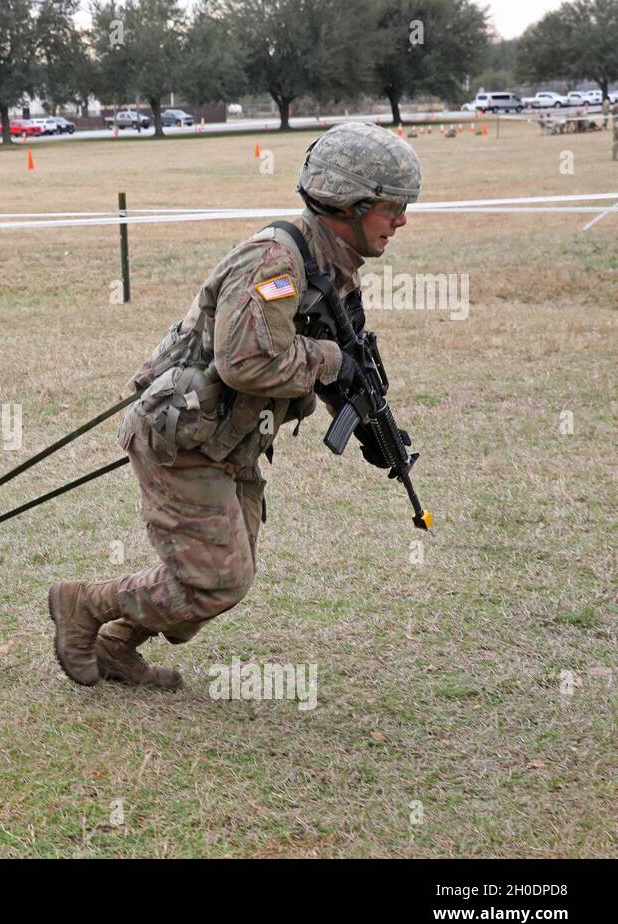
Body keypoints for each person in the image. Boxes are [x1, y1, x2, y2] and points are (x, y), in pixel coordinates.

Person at [48, 121, 421, 689]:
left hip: (230, 440)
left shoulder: (332, 271)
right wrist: (328, 361)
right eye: (392, 206)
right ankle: (85, 605)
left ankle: (116, 648)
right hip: (182, 437)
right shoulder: (274, 262)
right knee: (219, 579)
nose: (400, 220)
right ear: (351, 203)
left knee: (218, 578)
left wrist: (369, 423)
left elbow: (329, 359)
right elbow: (245, 363)